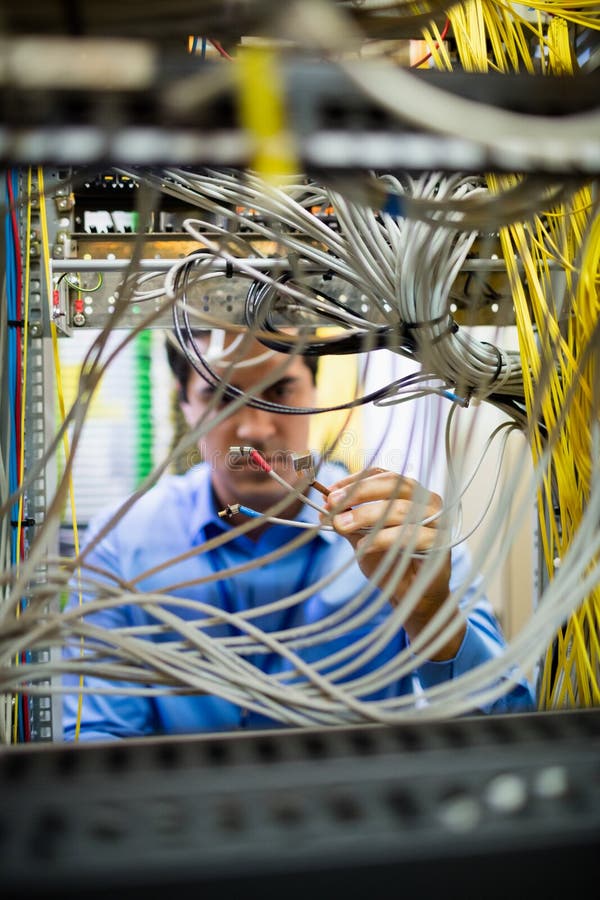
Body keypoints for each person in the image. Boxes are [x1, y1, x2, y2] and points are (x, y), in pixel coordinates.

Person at [62, 329, 534, 740]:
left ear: (315, 393)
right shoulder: (122, 543)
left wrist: (431, 619)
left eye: (279, 391)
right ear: (186, 406)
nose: (255, 427)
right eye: (222, 395)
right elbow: (100, 743)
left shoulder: (402, 533)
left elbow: (509, 729)